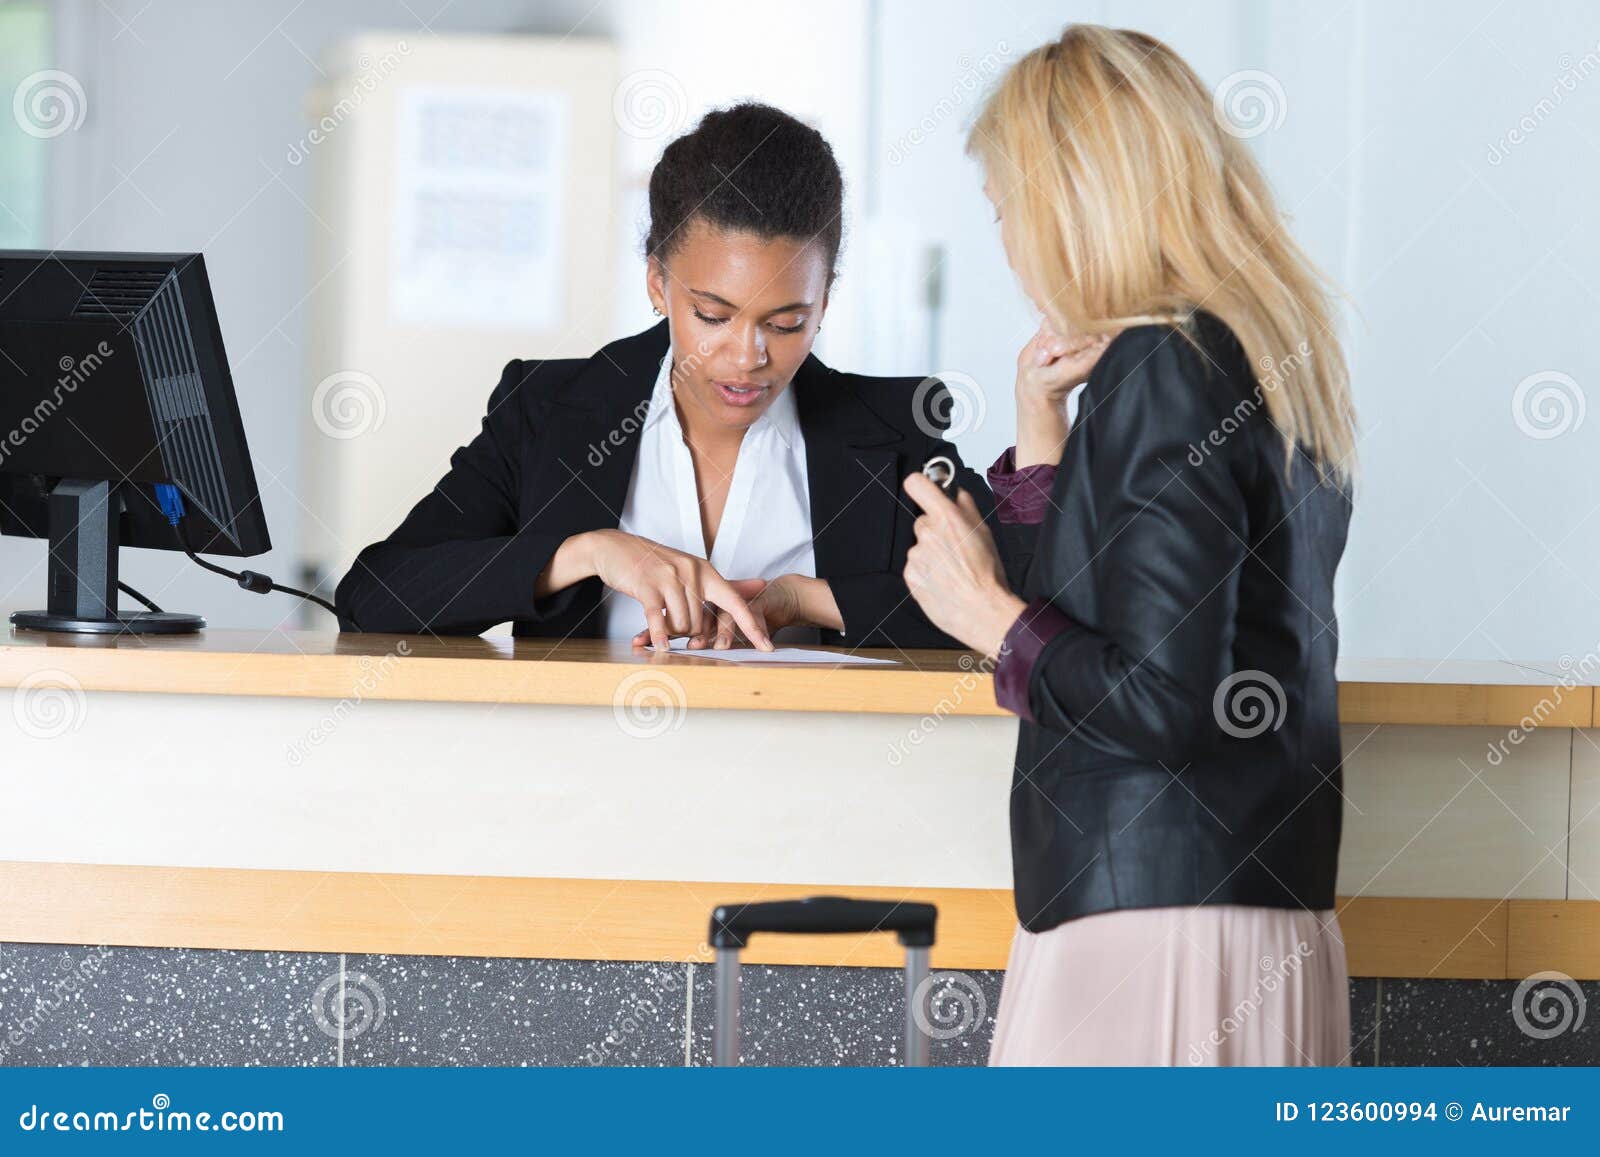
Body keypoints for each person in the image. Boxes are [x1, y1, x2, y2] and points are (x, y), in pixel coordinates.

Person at [901, 25, 1359, 1065]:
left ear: (1071, 199)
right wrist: (1044, 424)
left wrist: (988, 616)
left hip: (1150, 933)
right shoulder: (1261, 355)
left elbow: (1159, 700)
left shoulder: (1164, 366)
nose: (1011, 246)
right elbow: (1133, 606)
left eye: (1007, 210)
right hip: (1245, 906)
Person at [336, 102, 997, 650]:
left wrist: (807, 600)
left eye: (787, 322)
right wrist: (583, 553)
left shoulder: (894, 428)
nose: (748, 356)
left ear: (825, 300)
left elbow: (1021, 603)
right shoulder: (548, 410)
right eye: (713, 315)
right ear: (657, 282)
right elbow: (374, 594)